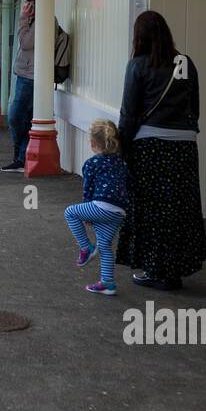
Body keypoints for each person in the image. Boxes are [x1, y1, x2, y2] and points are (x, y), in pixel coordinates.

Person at [115, 10, 206, 290]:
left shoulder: (138, 65)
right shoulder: (184, 62)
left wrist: (121, 147)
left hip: (150, 146)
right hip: (184, 146)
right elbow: (195, 107)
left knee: (152, 210)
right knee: (179, 209)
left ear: (139, 37)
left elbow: (129, 113)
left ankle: (156, 270)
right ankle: (175, 269)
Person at [64, 120, 130, 296]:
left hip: (101, 206)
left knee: (70, 212)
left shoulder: (92, 163)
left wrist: (87, 211)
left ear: (93, 144)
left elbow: (88, 189)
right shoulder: (122, 163)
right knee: (106, 246)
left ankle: (86, 247)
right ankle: (107, 283)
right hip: (119, 212)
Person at [1, 0, 36, 173]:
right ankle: (21, 156)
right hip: (25, 74)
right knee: (24, 117)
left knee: (16, 116)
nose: (26, 7)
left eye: (29, 3)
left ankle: (20, 155)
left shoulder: (41, 21)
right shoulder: (34, 21)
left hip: (30, 76)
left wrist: (23, 19)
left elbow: (26, 43)